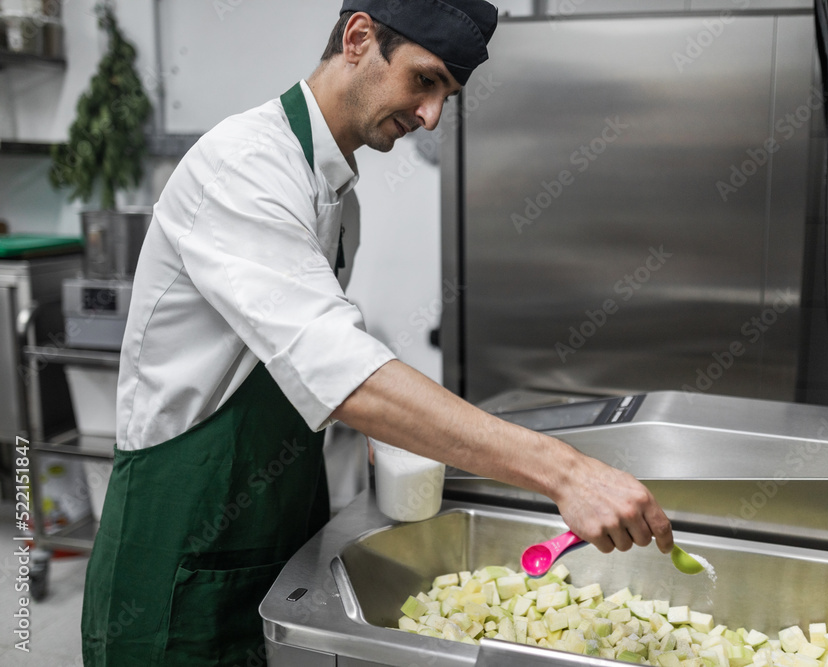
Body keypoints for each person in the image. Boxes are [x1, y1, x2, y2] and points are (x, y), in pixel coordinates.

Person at [81, 1, 674, 664]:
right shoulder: (243, 168)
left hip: (272, 551)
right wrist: (564, 472)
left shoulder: (338, 198)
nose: (431, 117)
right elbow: (339, 371)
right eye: (423, 81)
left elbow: (299, 358)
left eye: (446, 95)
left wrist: (392, 436)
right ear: (359, 37)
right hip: (177, 568)